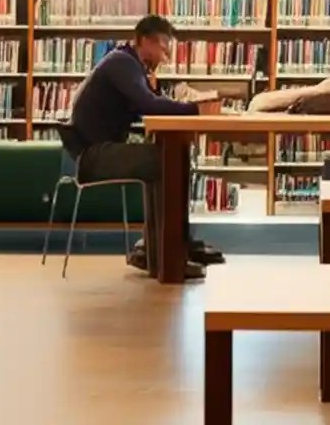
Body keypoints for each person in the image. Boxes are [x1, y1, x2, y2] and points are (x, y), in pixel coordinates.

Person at [65, 14, 221, 280]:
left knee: (170, 159)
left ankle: (163, 248)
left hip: (97, 150)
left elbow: (147, 103)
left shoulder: (129, 65)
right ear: (144, 41)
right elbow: (149, 105)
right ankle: (168, 254)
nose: (166, 56)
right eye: (163, 47)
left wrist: (178, 104)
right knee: (169, 162)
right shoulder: (122, 64)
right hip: (94, 156)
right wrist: (197, 108)